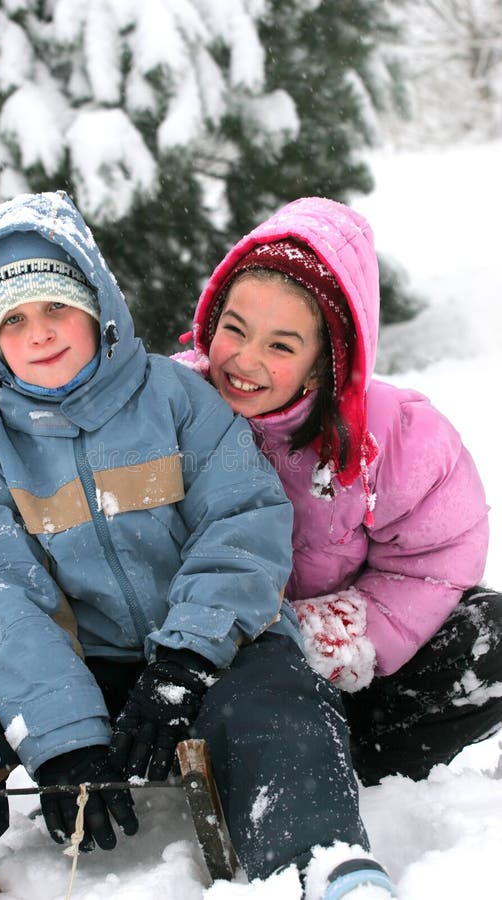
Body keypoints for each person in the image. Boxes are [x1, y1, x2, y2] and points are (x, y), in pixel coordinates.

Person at [0, 191, 395, 900]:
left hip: (220, 650)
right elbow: (11, 602)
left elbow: (243, 526)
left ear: (96, 304)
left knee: (281, 711)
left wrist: (185, 659)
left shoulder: (178, 399)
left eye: (56, 306)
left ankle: (323, 862)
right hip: (77, 660)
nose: (40, 333)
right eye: (14, 319)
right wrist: (63, 737)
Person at [175, 195, 502, 788]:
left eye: (280, 345)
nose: (244, 361)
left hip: (342, 669)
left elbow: (430, 567)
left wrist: (337, 636)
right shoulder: (165, 413)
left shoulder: (394, 437)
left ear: (325, 360)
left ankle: (355, 763)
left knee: (492, 631)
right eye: (234, 330)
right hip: (203, 663)